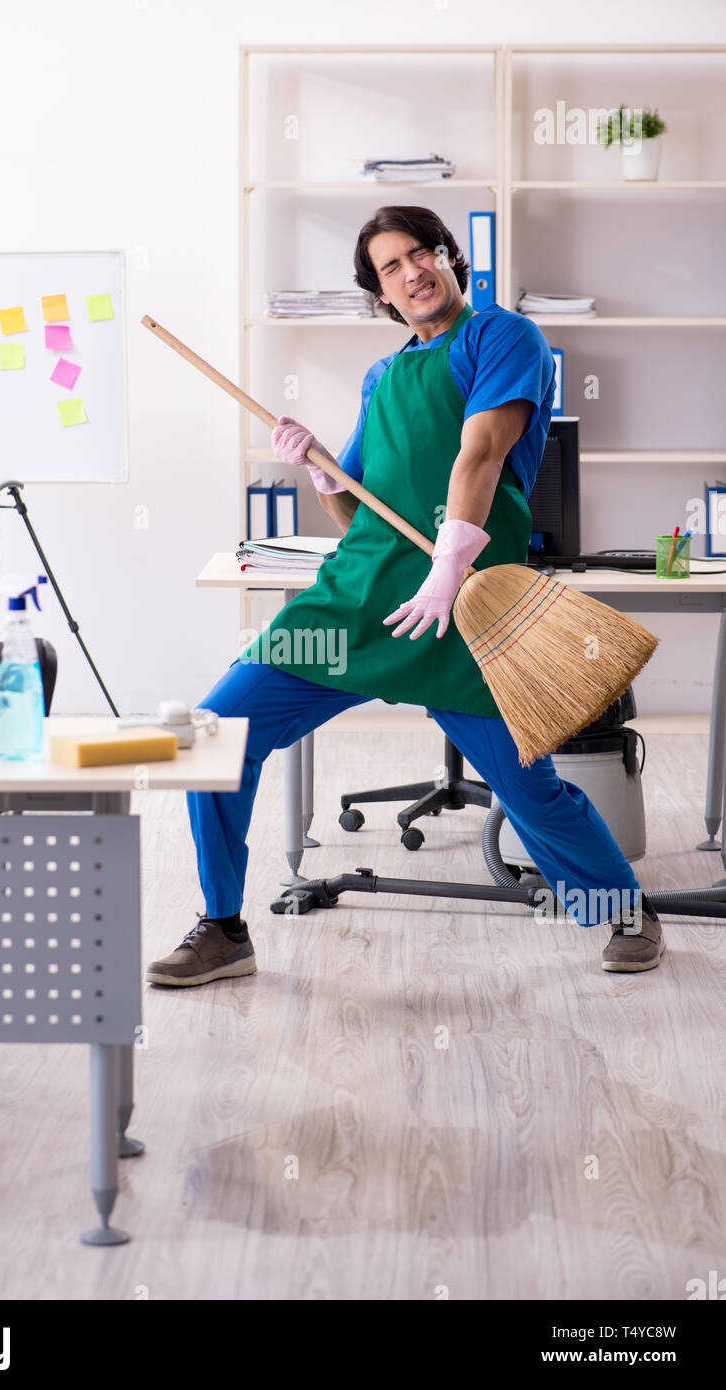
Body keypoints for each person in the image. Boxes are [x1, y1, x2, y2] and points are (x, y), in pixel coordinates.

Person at [147, 204, 663, 987]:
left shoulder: (501, 337)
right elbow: (357, 511)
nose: (412, 271)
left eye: (423, 253)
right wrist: (319, 470)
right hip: (356, 603)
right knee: (216, 736)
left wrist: (446, 571)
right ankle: (222, 928)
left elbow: (479, 454)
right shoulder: (381, 376)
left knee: (528, 788)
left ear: (450, 259)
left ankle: (624, 911)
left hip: (464, 610)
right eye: (391, 266)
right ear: (380, 294)